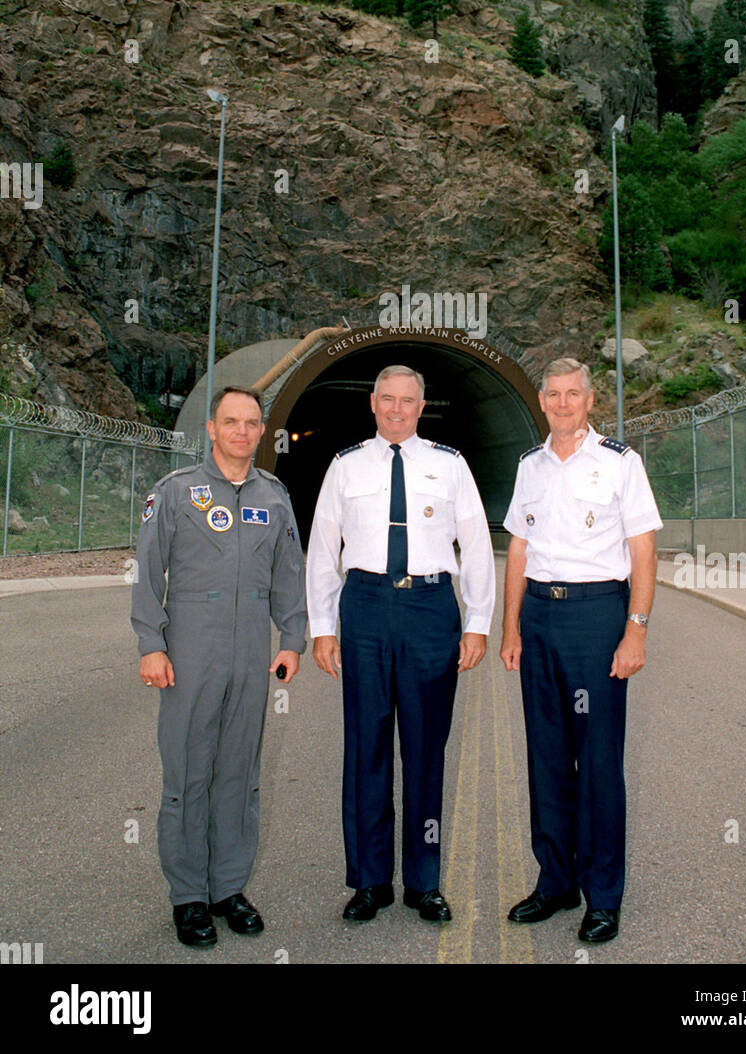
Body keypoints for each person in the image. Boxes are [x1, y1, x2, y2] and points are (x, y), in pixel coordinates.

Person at [306, 364, 495, 922]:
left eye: (406, 401)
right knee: (365, 749)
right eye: (386, 399)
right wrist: (322, 627)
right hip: (363, 606)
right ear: (372, 402)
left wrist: (477, 621)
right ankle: (369, 881)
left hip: (429, 608)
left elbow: (477, 545)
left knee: (425, 750)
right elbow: (322, 548)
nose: (396, 409)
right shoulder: (344, 466)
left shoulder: (450, 464)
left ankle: (424, 881)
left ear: (421, 405)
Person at [132, 386, 306, 948]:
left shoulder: (275, 497)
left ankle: (228, 888)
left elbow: (288, 574)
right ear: (211, 428)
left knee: (238, 774)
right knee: (187, 775)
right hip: (189, 651)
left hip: (250, 652)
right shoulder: (177, 493)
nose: (240, 431)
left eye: (250, 423)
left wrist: (293, 638)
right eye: (229, 421)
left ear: (261, 431)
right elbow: (147, 571)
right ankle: (188, 897)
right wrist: (150, 644)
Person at [500, 357, 661, 943]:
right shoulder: (530, 466)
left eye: (573, 394)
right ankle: (556, 881)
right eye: (553, 395)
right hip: (540, 616)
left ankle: (603, 895)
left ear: (590, 401)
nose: (563, 403)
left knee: (596, 762)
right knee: (546, 759)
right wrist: (510, 627)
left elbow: (643, 551)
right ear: (542, 402)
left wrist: (635, 629)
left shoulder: (621, 463)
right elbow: (518, 549)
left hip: (598, 618)